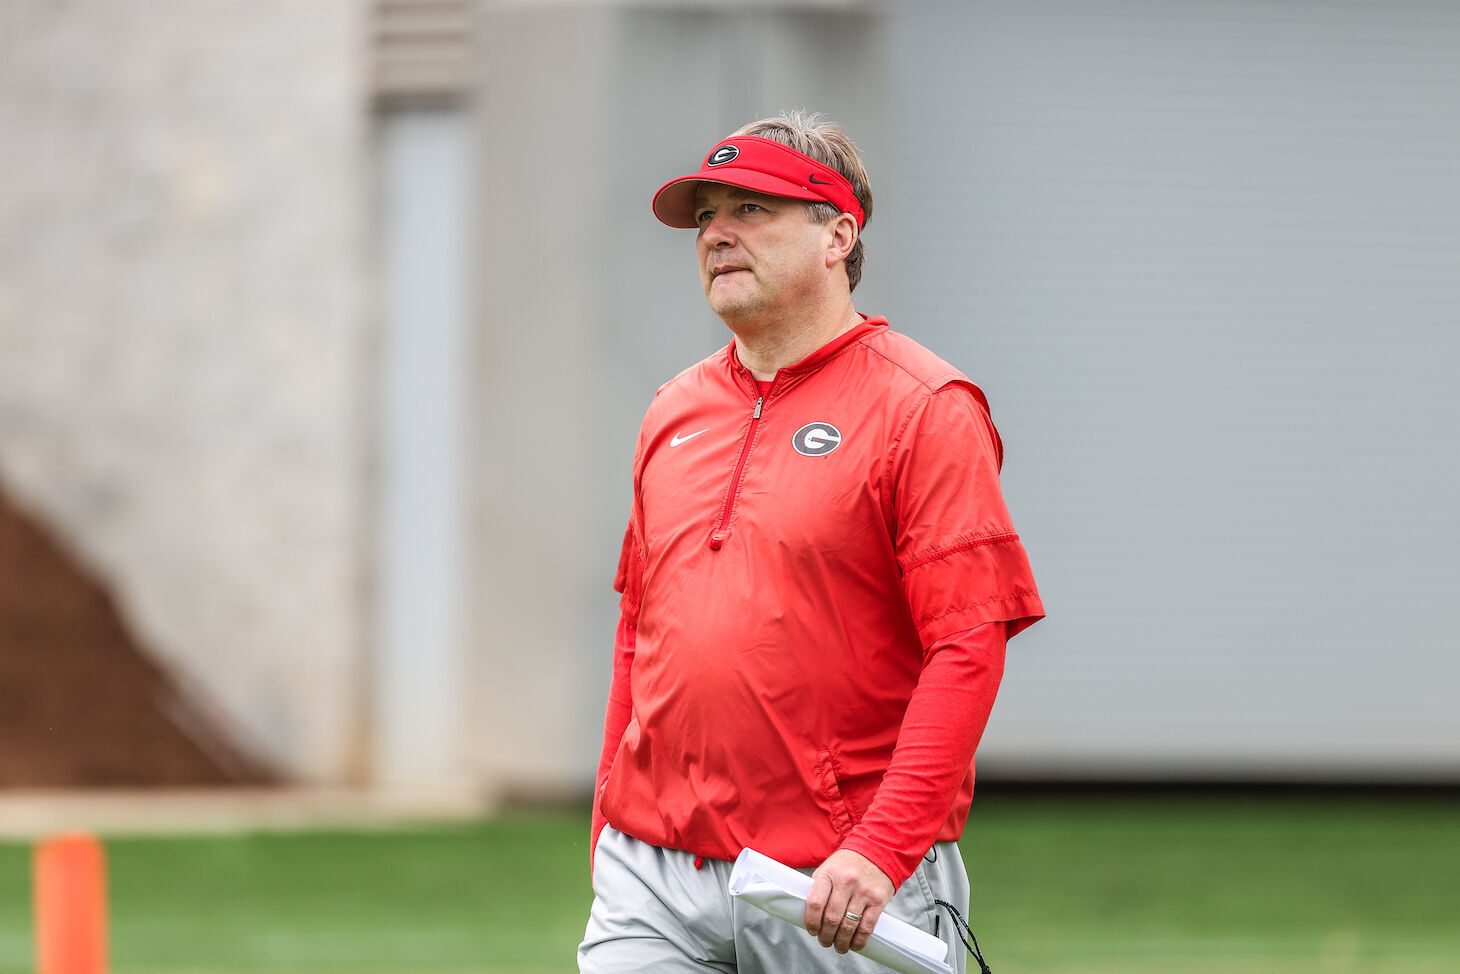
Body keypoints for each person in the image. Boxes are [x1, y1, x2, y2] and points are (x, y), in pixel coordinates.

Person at [578, 110, 1044, 974]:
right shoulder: (673, 409)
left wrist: (882, 849)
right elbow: (638, 631)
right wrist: (610, 819)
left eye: (751, 209)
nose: (716, 234)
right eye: (706, 215)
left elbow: (968, 645)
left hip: (839, 881)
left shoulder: (926, 408)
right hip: (653, 873)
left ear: (839, 236)